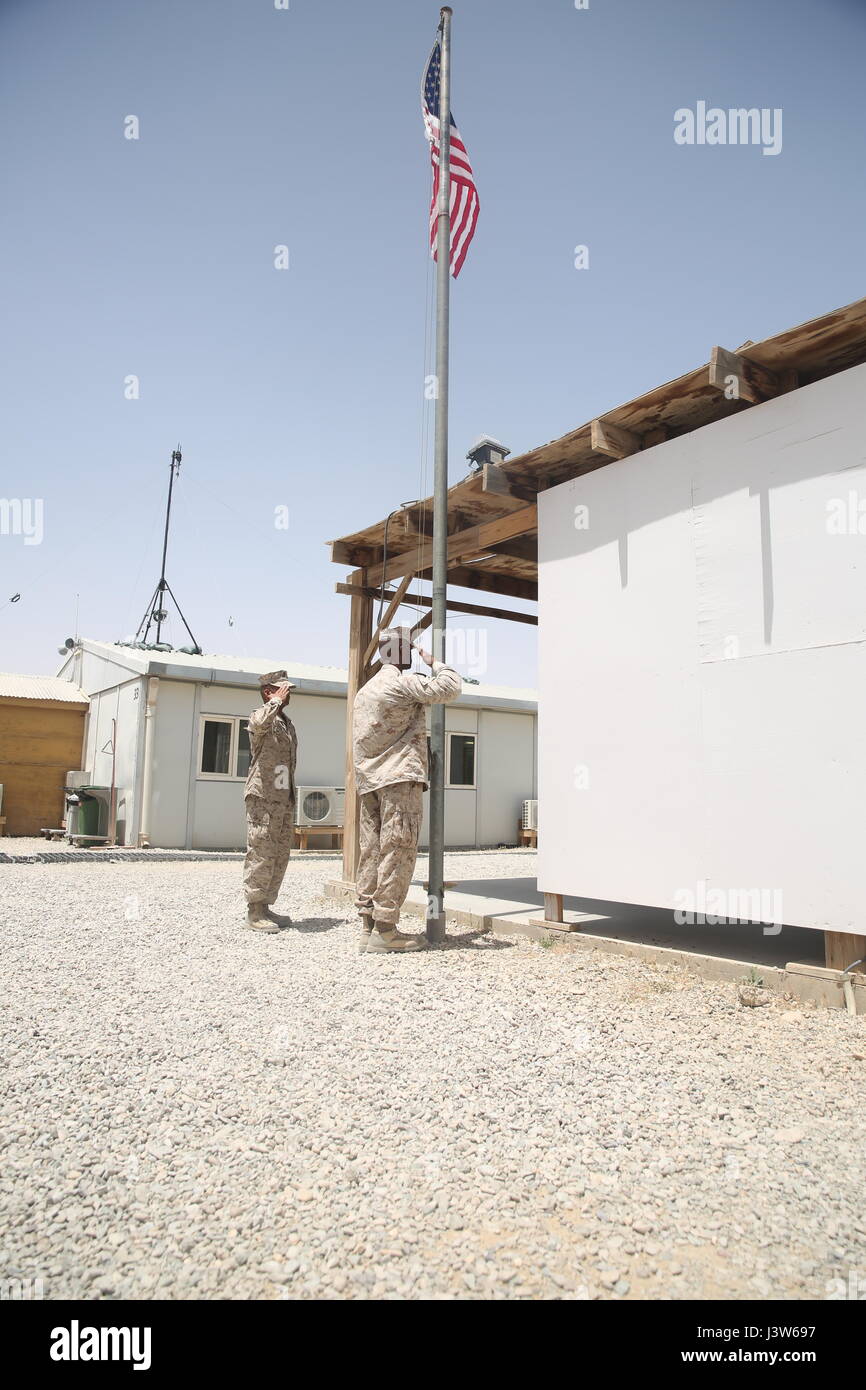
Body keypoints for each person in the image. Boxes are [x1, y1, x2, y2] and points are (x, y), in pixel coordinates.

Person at [352, 627, 461, 953]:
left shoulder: (365, 691)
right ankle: (386, 931)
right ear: (401, 653)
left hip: (369, 781)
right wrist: (434, 661)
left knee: (371, 851)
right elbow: (451, 687)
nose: (413, 653)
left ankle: (369, 925)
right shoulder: (401, 684)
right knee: (398, 850)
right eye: (410, 649)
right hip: (398, 781)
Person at [243, 670, 298, 932]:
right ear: (269, 692)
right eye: (283, 690)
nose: (289, 694)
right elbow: (257, 725)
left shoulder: (286, 722)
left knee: (278, 854)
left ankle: (265, 906)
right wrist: (274, 703)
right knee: (261, 852)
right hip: (263, 798)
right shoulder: (261, 716)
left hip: (282, 798)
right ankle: (254, 911)